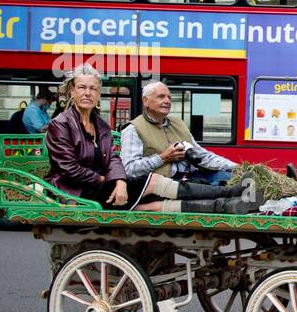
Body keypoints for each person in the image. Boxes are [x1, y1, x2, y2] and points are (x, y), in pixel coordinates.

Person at [46, 66, 259, 214]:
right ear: (71, 91)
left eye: (93, 88)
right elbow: (69, 169)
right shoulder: (61, 124)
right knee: (152, 186)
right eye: (82, 88)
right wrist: (110, 181)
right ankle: (230, 195)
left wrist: (119, 181)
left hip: (107, 185)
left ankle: (229, 202)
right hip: (76, 191)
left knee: (152, 204)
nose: (88, 93)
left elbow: (112, 159)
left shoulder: (101, 125)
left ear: (99, 93)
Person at [120, 81, 237, 187]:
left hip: (191, 176)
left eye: (169, 97)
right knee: (213, 190)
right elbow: (129, 169)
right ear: (146, 101)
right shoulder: (133, 129)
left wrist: (237, 167)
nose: (167, 101)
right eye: (161, 97)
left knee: (231, 179)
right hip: (164, 183)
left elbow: (202, 156)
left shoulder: (178, 123)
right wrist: (163, 158)